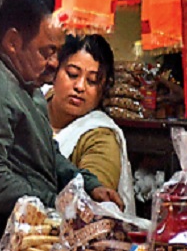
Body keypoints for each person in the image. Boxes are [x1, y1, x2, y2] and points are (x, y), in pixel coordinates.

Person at [0, 0, 124, 251]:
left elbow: (48, 152)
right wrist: (55, 204)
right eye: (47, 51)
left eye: (58, 52)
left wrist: (87, 184)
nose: (53, 64)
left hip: (29, 237)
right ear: (13, 42)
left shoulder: (26, 77)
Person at [46, 35, 135, 216]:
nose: (80, 86)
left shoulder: (101, 137)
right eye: (72, 74)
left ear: (103, 89)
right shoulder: (30, 102)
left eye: (92, 81)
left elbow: (88, 205)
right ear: (54, 71)